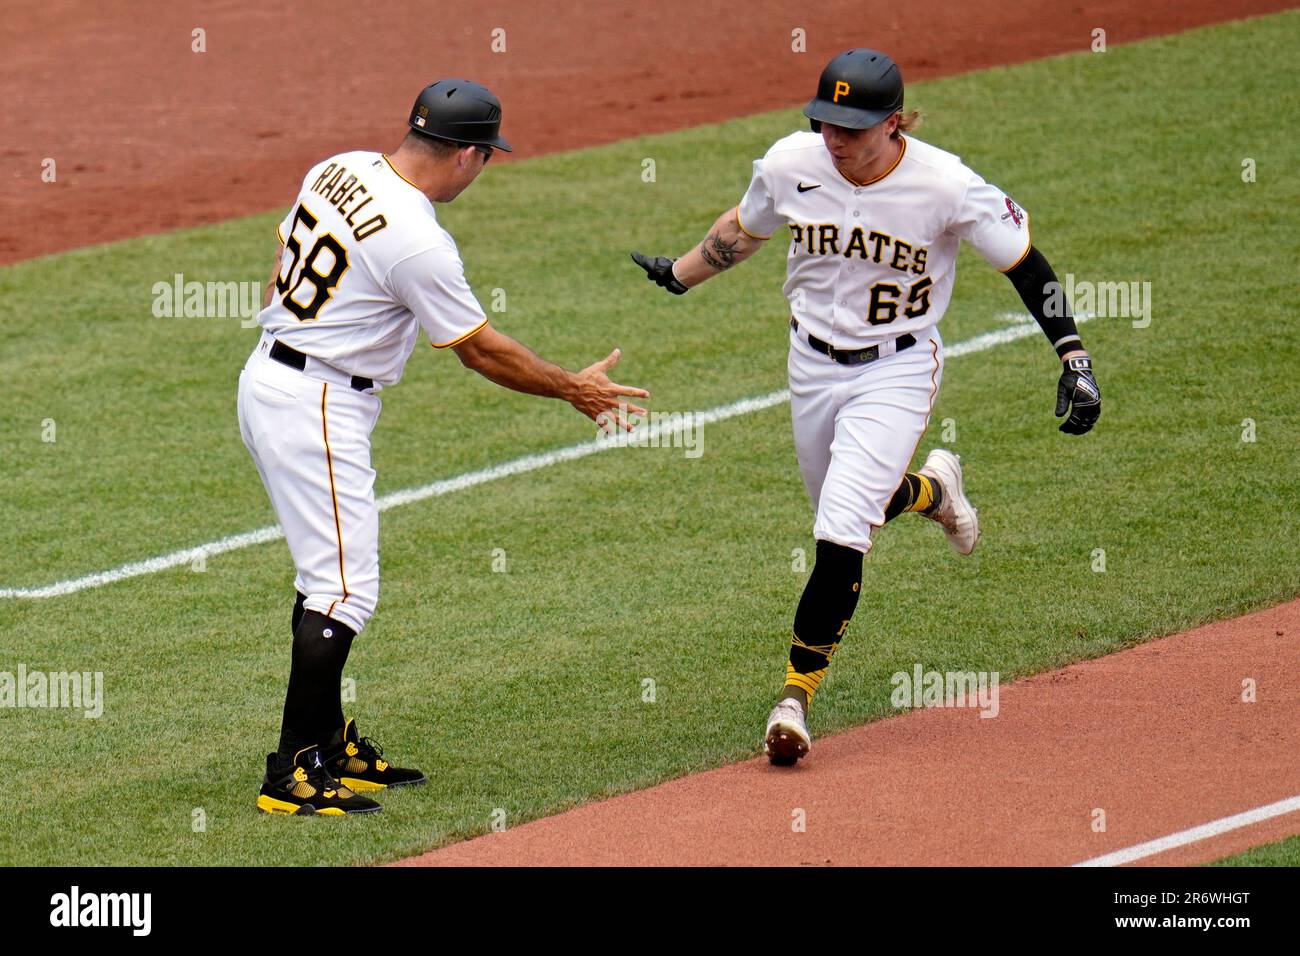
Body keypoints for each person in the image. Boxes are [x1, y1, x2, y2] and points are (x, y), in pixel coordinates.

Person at [631, 49, 1099, 764]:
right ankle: (937, 491)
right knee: (855, 509)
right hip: (809, 364)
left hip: (899, 368)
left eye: (850, 126)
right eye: (824, 121)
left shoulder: (945, 184)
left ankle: (793, 698)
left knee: (841, 528)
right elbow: (748, 226)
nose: (834, 137)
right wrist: (681, 275)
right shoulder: (792, 161)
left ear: (893, 122)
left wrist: (1073, 354)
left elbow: (1024, 262)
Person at [240, 79, 648, 814]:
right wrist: (575, 390)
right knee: (343, 589)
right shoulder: (419, 239)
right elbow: (480, 352)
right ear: (466, 154)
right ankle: (290, 773)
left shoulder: (338, 166)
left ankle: (331, 746)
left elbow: (280, 264)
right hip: (317, 403)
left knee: (325, 573)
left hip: (275, 376)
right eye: (486, 156)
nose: (484, 167)